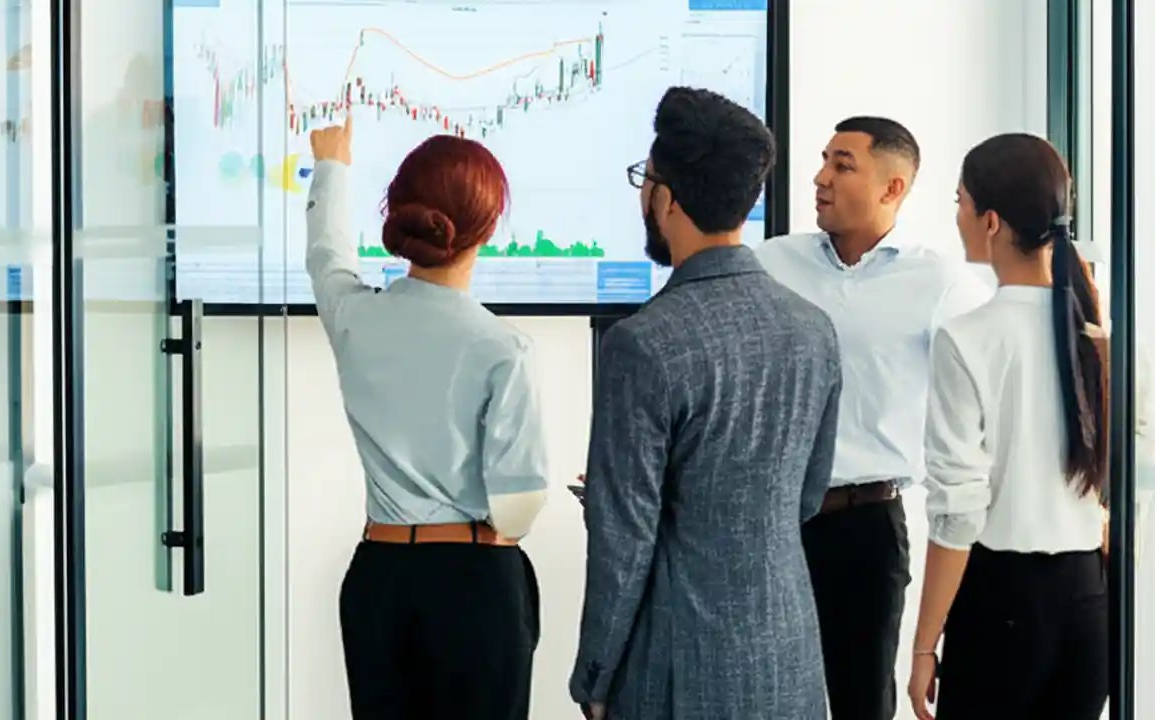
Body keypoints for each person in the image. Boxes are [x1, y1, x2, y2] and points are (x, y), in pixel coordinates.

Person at [570, 86, 842, 720]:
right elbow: (805, 495)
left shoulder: (641, 344)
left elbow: (624, 540)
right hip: (788, 658)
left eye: (646, 179)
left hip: (675, 670)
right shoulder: (813, 327)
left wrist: (595, 678)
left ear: (664, 197)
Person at [306, 114, 548, 719]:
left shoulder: (354, 318)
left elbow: (326, 254)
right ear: (487, 229)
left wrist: (331, 165)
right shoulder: (502, 348)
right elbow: (518, 506)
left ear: (399, 213)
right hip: (474, 582)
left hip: (378, 578)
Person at [753, 116, 992, 720]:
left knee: (863, 701)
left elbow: (989, 394)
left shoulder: (938, 282)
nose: (819, 177)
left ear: (894, 188)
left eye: (842, 164)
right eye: (824, 160)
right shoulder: (770, 264)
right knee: (763, 697)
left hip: (868, 525)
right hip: (773, 521)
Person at [907, 133, 1109, 720]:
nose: (957, 216)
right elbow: (1122, 479)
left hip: (1003, 600)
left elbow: (958, 510)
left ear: (990, 221)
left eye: (959, 201)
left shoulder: (967, 338)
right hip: (1088, 599)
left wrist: (925, 645)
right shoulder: (1103, 338)